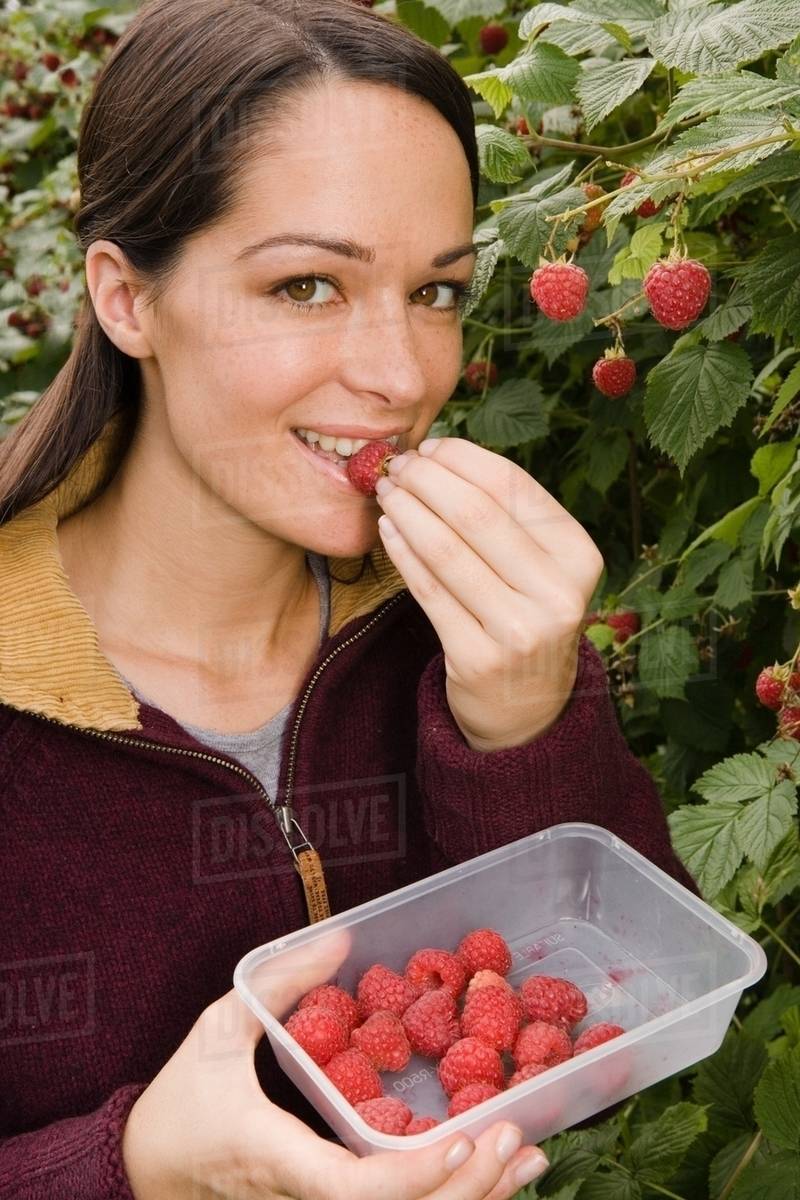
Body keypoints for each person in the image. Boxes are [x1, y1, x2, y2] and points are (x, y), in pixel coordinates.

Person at [0, 0, 700, 1196]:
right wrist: (136, 1170)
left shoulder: (456, 625)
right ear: (125, 299)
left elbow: (623, 1028)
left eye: (434, 291)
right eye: (308, 286)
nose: (400, 376)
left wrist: (522, 722)